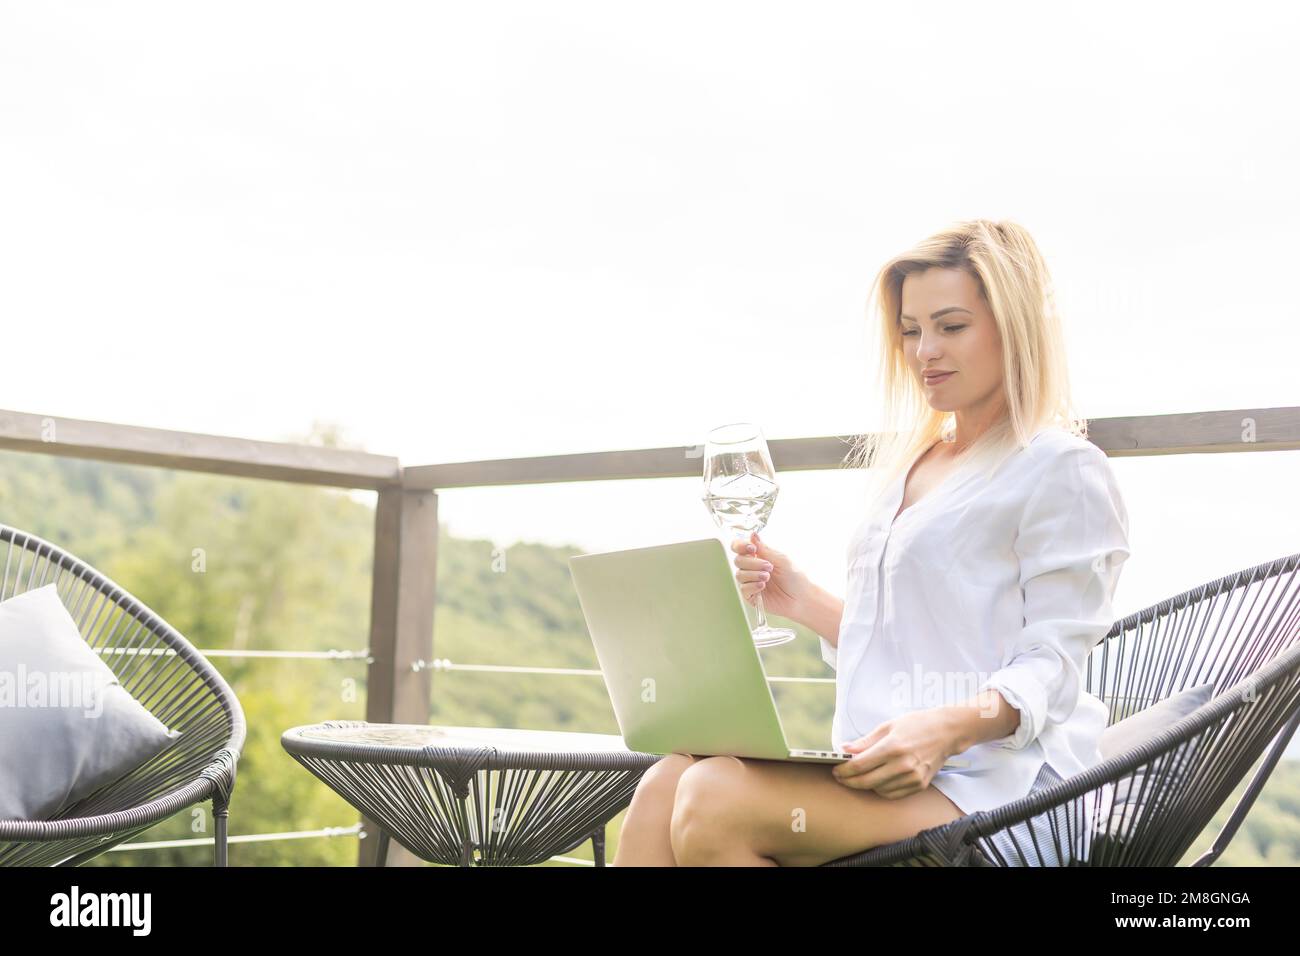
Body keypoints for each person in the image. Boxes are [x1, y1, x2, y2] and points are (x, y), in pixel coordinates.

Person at [610, 218, 1130, 867]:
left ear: (1013, 325)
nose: (923, 352)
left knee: (713, 797)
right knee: (665, 782)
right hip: (886, 770)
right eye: (911, 330)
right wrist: (798, 598)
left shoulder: (1061, 467)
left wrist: (943, 731)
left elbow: (1052, 667)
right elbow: (906, 641)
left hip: (1006, 791)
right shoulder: (914, 464)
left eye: (951, 326)